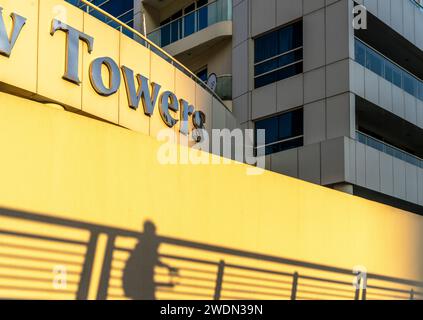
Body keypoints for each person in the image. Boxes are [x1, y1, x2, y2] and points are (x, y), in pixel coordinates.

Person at [122, 221, 178, 300]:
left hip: (136, 289)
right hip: (140, 290)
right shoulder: (144, 253)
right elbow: (147, 281)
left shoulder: (139, 252)